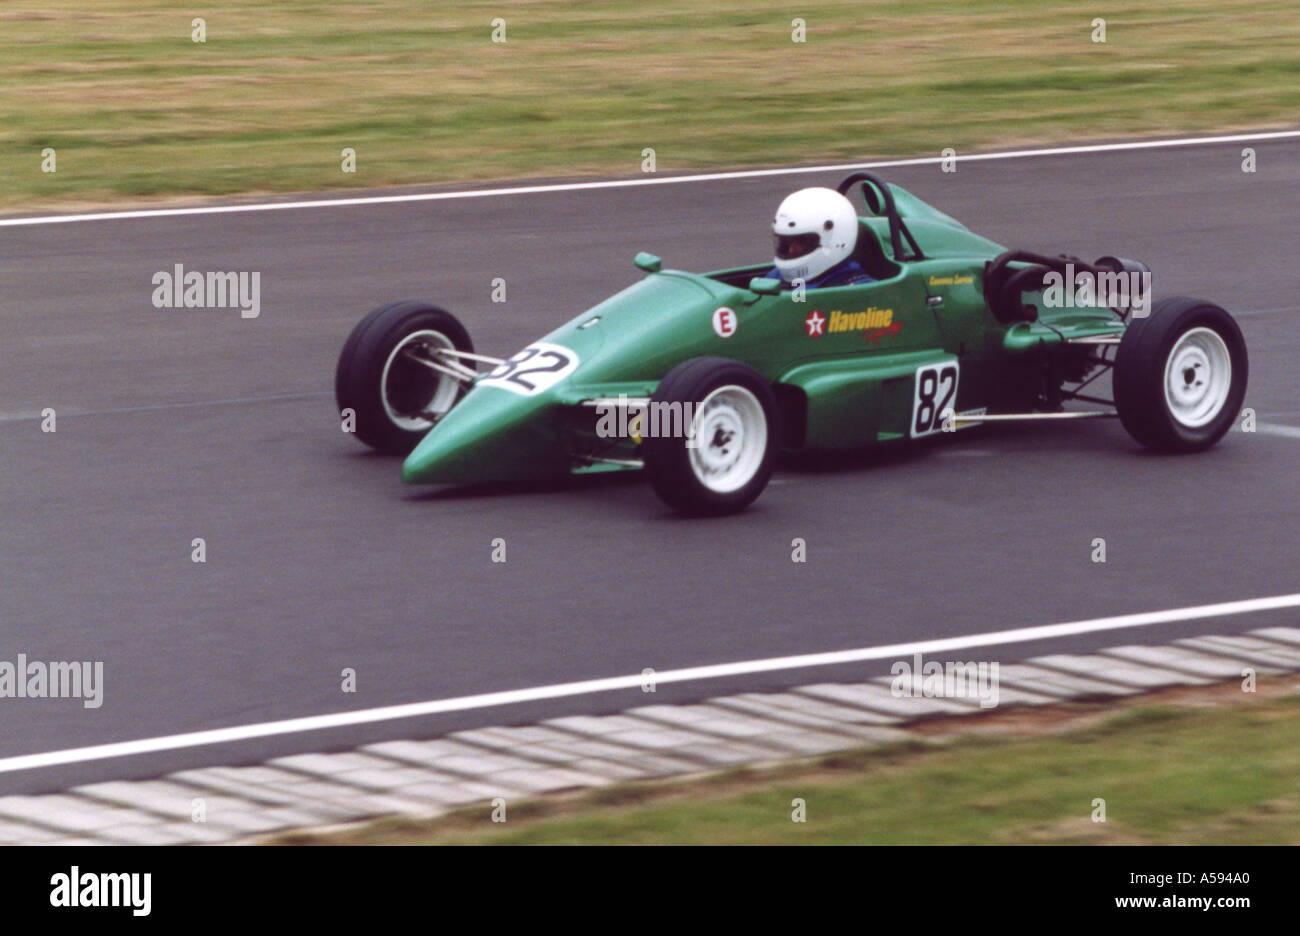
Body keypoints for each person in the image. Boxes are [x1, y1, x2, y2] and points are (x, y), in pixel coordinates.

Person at [766, 187, 875, 289]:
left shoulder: (858, 290)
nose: (790, 250)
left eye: (801, 242)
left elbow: (798, 300)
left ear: (836, 241)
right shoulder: (778, 275)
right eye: (787, 242)